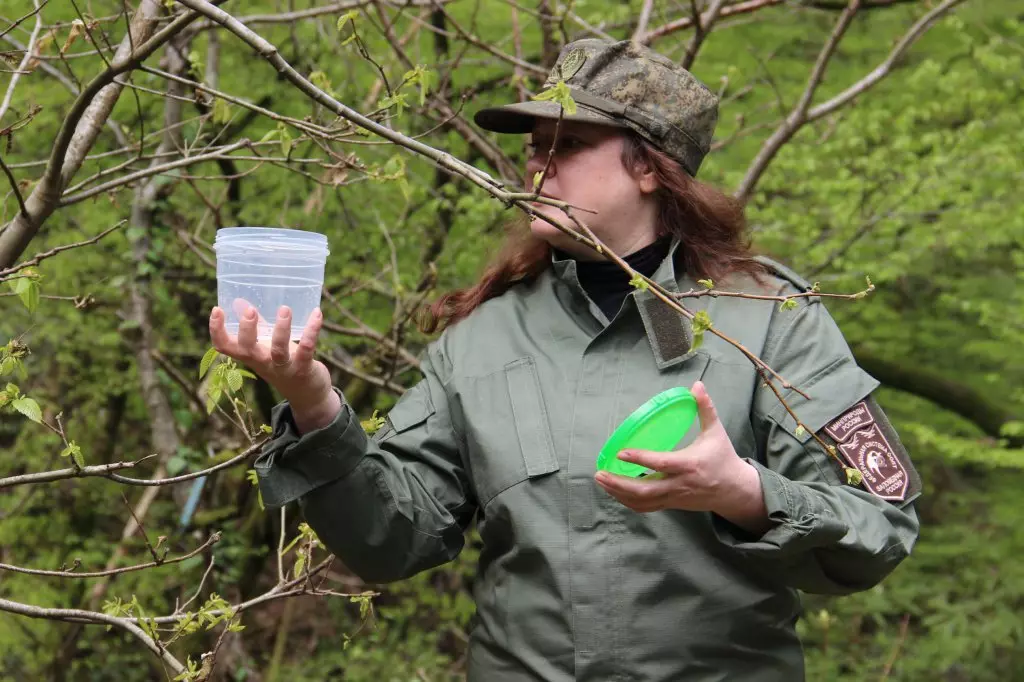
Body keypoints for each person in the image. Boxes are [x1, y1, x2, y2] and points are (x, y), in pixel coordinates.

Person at [209, 38, 921, 682]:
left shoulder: (770, 320)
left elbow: (878, 528)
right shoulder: (482, 339)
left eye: (570, 143)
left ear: (649, 167)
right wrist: (311, 402)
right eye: (533, 145)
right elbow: (393, 541)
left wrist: (742, 492)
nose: (538, 166)